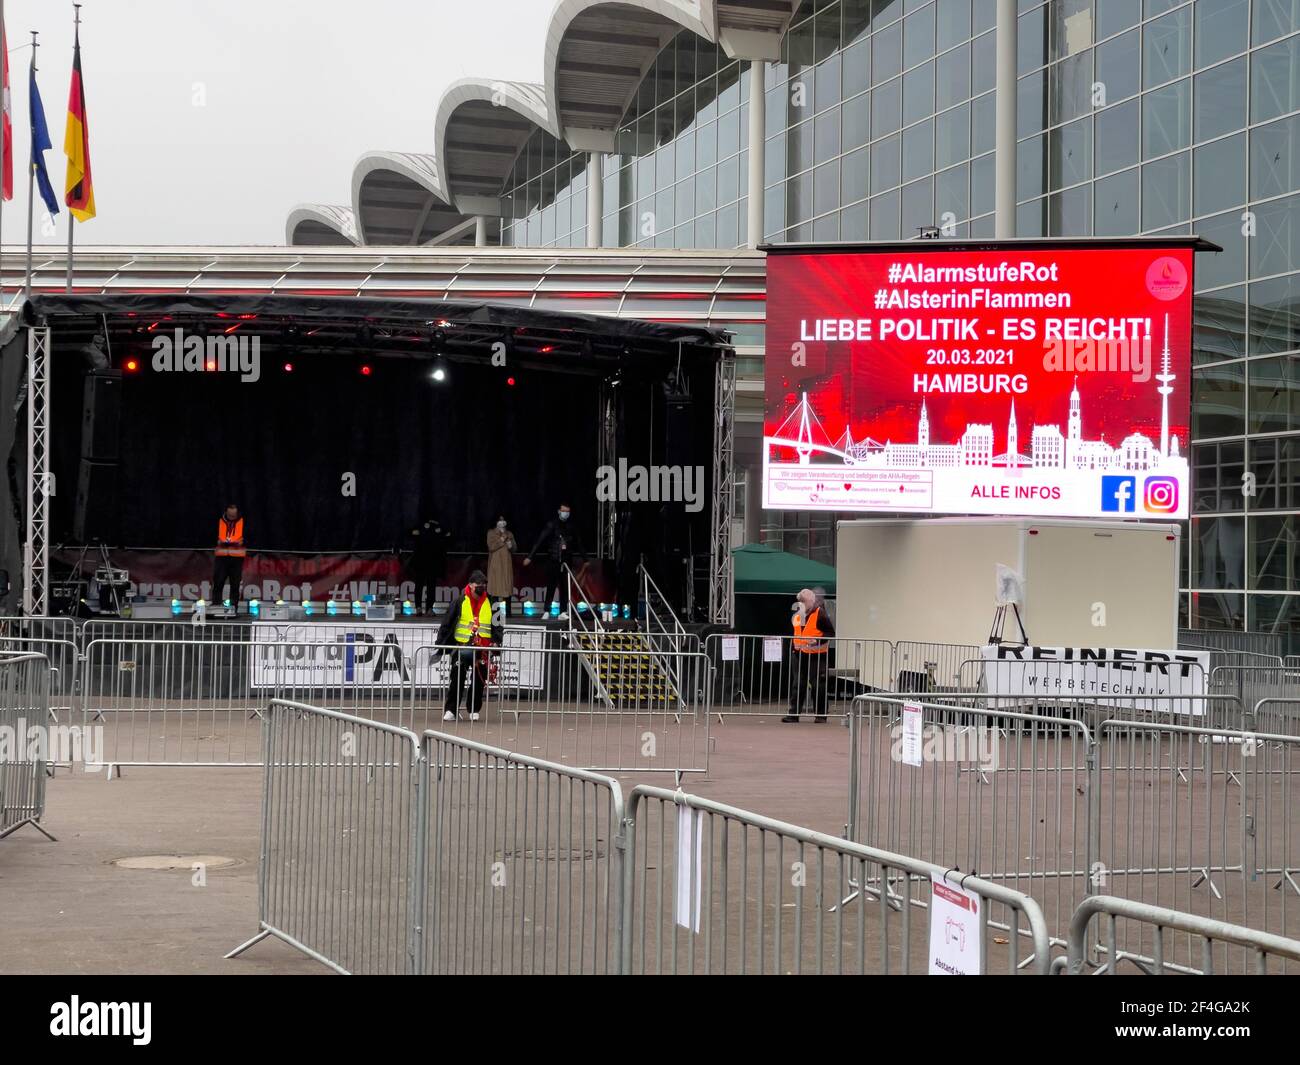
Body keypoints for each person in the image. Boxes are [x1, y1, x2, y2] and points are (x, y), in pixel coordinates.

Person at [436, 569, 501, 722]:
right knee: (457, 677)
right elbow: (446, 623)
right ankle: (451, 710)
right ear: (471, 585)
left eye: (484, 584)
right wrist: (440, 644)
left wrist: (497, 642)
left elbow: (498, 625)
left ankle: (474, 709)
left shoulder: (493, 602)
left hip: (484, 648)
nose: (482, 587)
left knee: (479, 680)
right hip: (462, 646)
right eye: (479, 584)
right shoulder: (459, 601)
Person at [783, 587, 835, 723]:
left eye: (804, 601)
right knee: (798, 685)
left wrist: (817, 640)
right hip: (799, 653)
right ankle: (793, 714)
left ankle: (821, 715)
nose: (802, 604)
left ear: (811, 601)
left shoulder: (820, 613)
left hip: (817, 655)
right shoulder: (798, 614)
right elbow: (796, 632)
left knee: (818, 685)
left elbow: (830, 633)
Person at [523, 502, 583, 618]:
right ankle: (546, 610)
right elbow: (539, 541)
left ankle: (563, 611)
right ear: (559, 511)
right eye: (564, 511)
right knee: (551, 586)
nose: (566, 513)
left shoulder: (571, 527)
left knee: (565, 587)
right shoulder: (552, 525)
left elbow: (578, 543)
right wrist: (530, 556)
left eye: (568, 512)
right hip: (553, 560)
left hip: (566, 561)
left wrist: (585, 559)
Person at [410, 516, 451, 615]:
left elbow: (448, 535)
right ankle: (418, 608)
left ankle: (429, 608)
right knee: (419, 585)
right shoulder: (419, 525)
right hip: (420, 561)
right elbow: (411, 534)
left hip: (433, 561)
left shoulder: (438, 526)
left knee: (431, 586)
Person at [212, 504, 246, 618]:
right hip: (221, 556)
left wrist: (243, 542)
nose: (232, 517)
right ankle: (216, 607)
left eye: (234, 515)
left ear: (237, 514)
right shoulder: (219, 521)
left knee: (235, 584)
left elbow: (249, 536)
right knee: (218, 582)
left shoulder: (243, 521)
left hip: (237, 557)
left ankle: (233, 609)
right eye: (230, 515)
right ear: (226, 512)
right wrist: (216, 541)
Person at [486, 515, 516, 608]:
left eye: (504, 520)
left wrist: (511, 546)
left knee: (507, 586)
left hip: (507, 564)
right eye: (500, 520)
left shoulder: (510, 533)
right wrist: (502, 538)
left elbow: (514, 549)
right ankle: (494, 609)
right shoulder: (491, 533)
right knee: (495, 586)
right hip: (496, 564)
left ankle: (508, 611)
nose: (502, 522)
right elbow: (491, 547)